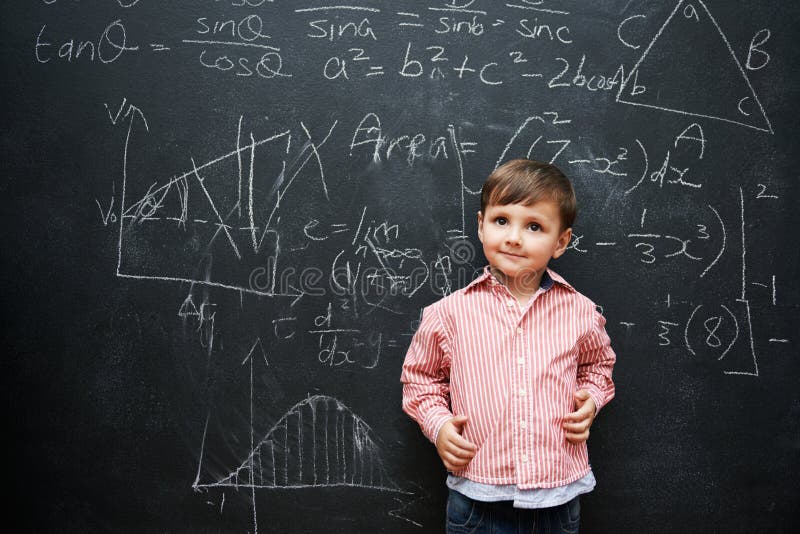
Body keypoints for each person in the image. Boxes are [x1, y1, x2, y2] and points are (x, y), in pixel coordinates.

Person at [401, 159, 616, 533]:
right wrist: (438, 426)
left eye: (534, 226)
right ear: (481, 225)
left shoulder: (581, 312)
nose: (514, 237)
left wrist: (591, 400)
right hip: (477, 499)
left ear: (561, 242)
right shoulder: (448, 314)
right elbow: (420, 380)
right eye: (502, 221)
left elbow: (599, 366)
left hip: (557, 499)